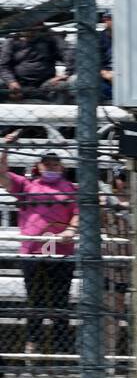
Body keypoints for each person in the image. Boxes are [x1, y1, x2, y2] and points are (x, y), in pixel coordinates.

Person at [0, 136, 78, 357]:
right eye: (46, 163)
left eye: (54, 163)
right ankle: (33, 344)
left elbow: (78, 214)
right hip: (33, 252)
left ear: (61, 166)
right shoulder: (26, 185)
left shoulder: (71, 188)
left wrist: (71, 230)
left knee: (60, 301)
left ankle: (62, 349)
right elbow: (1, 174)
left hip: (61, 251)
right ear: (38, 165)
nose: (51, 167)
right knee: (35, 300)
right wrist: (5, 147)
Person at [101, 165, 132, 359]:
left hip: (136, 263)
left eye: (126, 177)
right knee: (112, 313)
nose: (123, 182)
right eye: (120, 178)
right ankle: (109, 357)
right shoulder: (106, 199)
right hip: (113, 263)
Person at [0, 22, 70, 103]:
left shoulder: (49, 39)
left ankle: (58, 113)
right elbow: (3, 66)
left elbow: (67, 54)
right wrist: (11, 82)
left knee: (62, 86)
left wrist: (66, 74)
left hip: (45, 85)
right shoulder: (11, 41)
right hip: (19, 85)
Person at [97, 12, 114, 103]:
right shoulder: (100, 38)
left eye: (110, 19)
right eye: (106, 19)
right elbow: (93, 61)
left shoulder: (128, 37)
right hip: (106, 73)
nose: (107, 21)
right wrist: (103, 72)